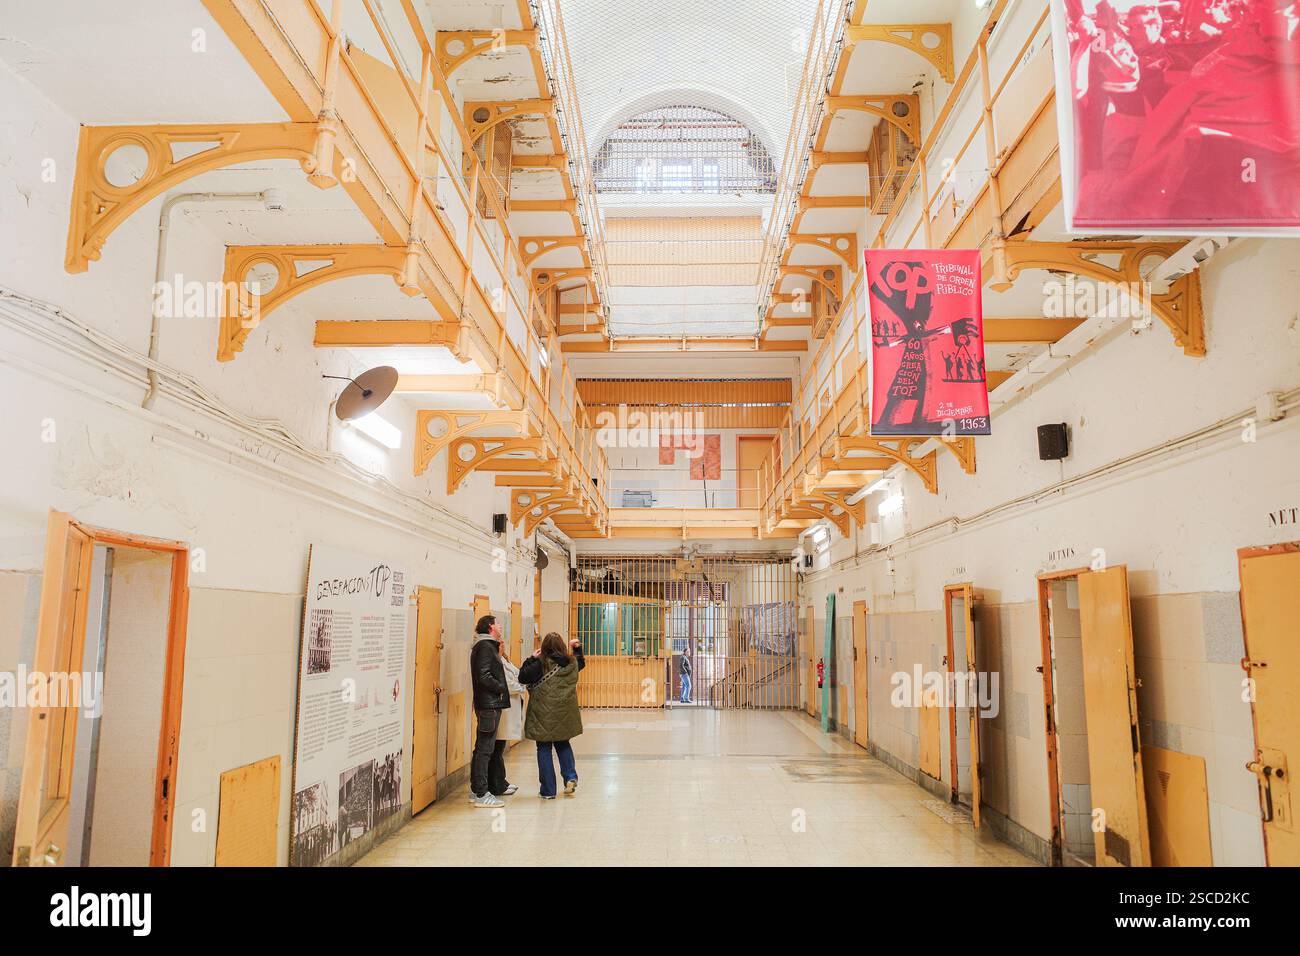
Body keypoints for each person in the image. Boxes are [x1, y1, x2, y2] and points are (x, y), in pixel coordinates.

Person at [519, 632, 585, 799]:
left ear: (544, 648)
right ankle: (570, 777)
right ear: (562, 646)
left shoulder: (539, 665)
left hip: (542, 714)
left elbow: (522, 677)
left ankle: (548, 790)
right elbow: (581, 663)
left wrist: (532, 658)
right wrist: (577, 649)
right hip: (563, 712)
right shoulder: (571, 663)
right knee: (563, 743)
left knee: (544, 748)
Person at [469, 614, 510, 808]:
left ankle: (478, 788)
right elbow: (483, 675)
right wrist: (500, 686)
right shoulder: (485, 647)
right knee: (485, 749)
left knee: (483, 748)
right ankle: (481, 793)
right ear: (490, 627)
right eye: (498, 624)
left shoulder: (486, 646)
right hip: (489, 705)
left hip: (488, 704)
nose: (501, 626)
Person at [493, 638, 525, 796]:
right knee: (497, 748)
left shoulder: (505, 660)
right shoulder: (496, 661)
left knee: (500, 747)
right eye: (499, 642)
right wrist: (520, 686)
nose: (503, 644)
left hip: (510, 705)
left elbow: (519, 675)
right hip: (504, 707)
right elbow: (509, 684)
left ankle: (501, 781)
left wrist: (520, 685)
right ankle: (497, 784)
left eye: (503, 642)